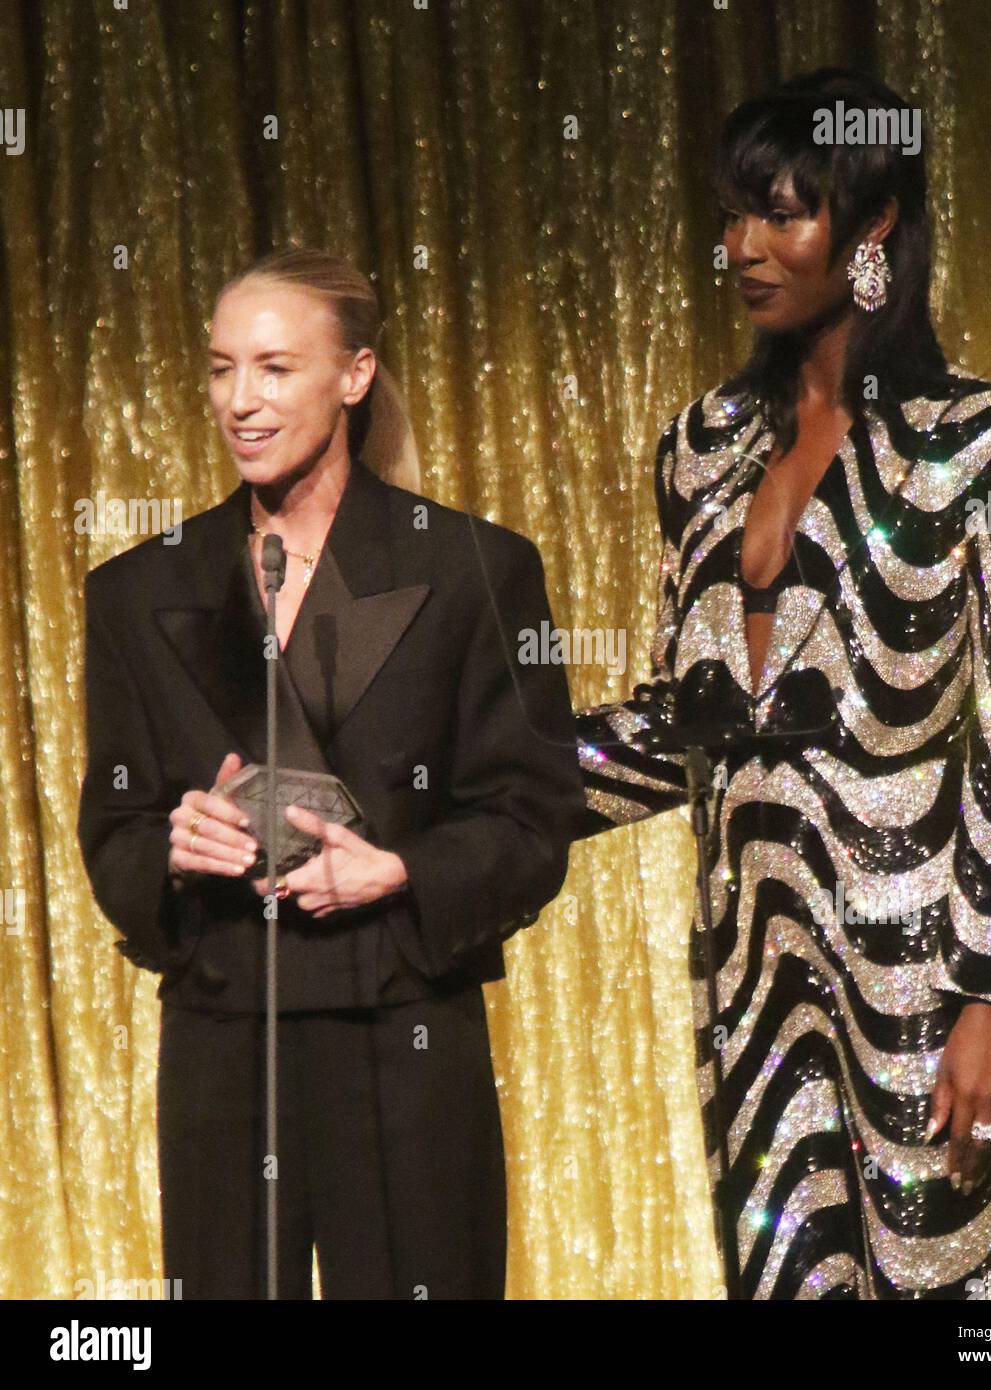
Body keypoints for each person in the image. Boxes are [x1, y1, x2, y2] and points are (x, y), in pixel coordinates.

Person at [573, 68, 991, 1299]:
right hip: (751, 979)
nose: (742, 247)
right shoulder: (702, 451)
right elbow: (683, 726)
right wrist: (451, 776)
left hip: (929, 984)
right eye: (732, 216)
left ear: (872, 231)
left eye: (780, 213)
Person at [77, 247, 586, 1299]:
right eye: (222, 369)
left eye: (274, 368)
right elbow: (113, 830)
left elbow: (533, 817)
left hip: (397, 1024)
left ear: (354, 376)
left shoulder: (471, 571)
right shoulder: (137, 588)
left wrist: (397, 870)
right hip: (224, 1036)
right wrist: (175, 849)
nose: (241, 401)